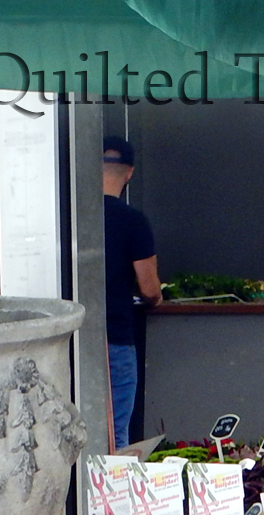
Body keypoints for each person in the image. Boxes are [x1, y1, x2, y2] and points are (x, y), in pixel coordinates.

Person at [103, 136, 161, 448]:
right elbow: (150, 288)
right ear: (130, 173)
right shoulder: (133, 221)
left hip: (70, 340)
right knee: (115, 435)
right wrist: (157, 297)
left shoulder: (67, 218)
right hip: (117, 337)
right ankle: (110, 496)